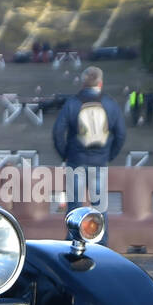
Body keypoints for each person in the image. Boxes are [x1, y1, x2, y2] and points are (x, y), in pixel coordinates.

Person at [52, 65, 126, 208]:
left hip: (75, 161)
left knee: (74, 210)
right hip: (99, 162)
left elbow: (58, 132)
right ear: (100, 83)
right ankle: (101, 231)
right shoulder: (110, 104)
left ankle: (74, 231)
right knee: (99, 210)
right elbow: (121, 134)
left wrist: (65, 155)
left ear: (83, 83)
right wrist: (108, 155)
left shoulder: (72, 103)